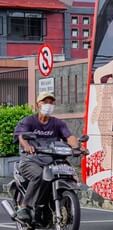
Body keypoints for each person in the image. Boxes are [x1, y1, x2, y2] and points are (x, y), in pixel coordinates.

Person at [11, 91, 79, 223]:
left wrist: (76, 147)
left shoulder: (57, 123)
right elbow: (21, 136)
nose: (48, 104)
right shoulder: (29, 121)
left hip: (53, 160)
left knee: (68, 174)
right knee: (39, 175)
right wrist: (26, 145)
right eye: (45, 102)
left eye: (51, 102)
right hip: (31, 159)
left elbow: (69, 137)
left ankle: (63, 206)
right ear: (38, 105)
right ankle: (25, 206)